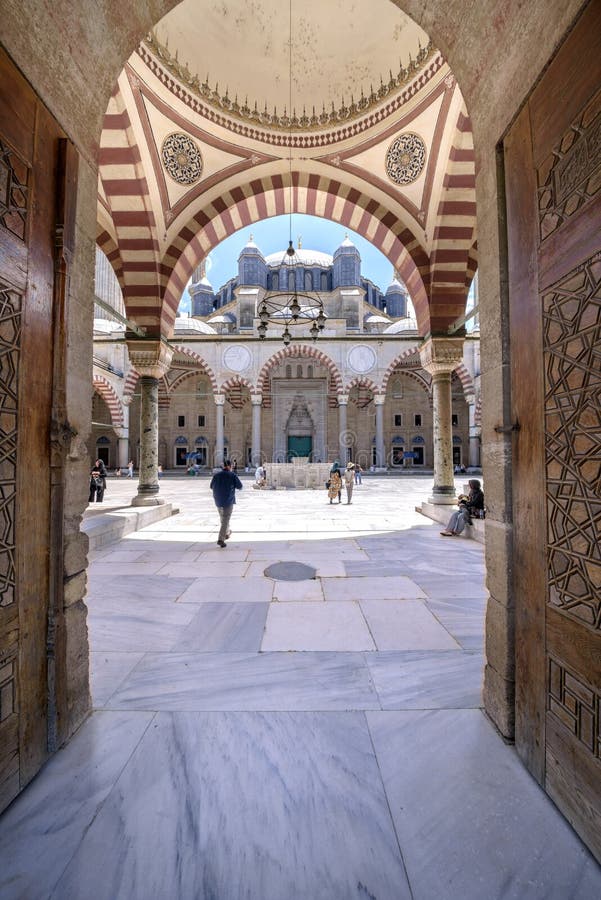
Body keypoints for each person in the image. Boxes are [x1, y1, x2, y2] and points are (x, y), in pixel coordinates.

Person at [210, 459, 243, 548]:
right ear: (229, 466)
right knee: (225, 519)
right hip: (228, 500)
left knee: (223, 518)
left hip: (218, 500)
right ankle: (221, 539)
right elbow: (240, 486)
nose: (232, 467)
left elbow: (211, 486)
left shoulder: (216, 475)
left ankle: (227, 532)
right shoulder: (232, 475)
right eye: (231, 466)